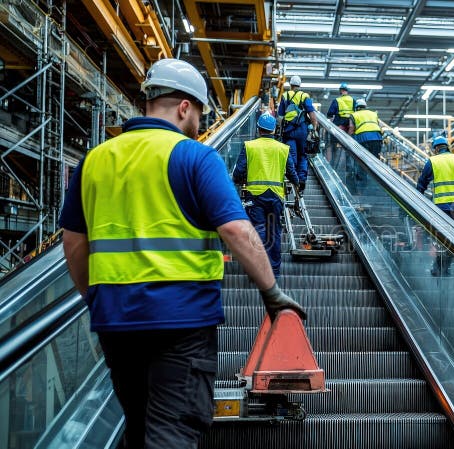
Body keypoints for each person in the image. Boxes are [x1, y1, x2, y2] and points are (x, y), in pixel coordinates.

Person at [59, 58, 305, 449]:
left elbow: (73, 240)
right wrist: (272, 293)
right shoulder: (195, 156)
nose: (199, 124)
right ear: (184, 107)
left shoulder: (95, 160)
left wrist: (94, 296)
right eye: (199, 114)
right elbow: (236, 229)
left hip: (115, 320)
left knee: (139, 426)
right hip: (183, 321)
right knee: (173, 431)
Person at [233, 113, 298, 279]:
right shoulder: (283, 149)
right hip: (276, 197)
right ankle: (274, 272)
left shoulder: (249, 146)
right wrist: (298, 184)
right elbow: (292, 174)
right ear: (274, 130)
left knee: (258, 231)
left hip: (255, 196)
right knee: (274, 232)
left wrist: (242, 179)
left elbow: (238, 173)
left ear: (258, 129)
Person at [416, 136, 454, 276]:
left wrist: (417, 204)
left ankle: (439, 269)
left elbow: (421, 185)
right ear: (447, 146)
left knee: (443, 240)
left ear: (435, 149)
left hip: (441, 209)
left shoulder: (433, 161)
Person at [278, 75, 318, 192]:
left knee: (291, 155)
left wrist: (278, 130)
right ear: (300, 85)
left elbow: (280, 117)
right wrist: (314, 128)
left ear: (290, 85)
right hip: (302, 130)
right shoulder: (304, 96)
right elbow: (312, 114)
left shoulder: (285, 96)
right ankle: (302, 180)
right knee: (303, 155)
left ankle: (292, 178)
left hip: (289, 130)